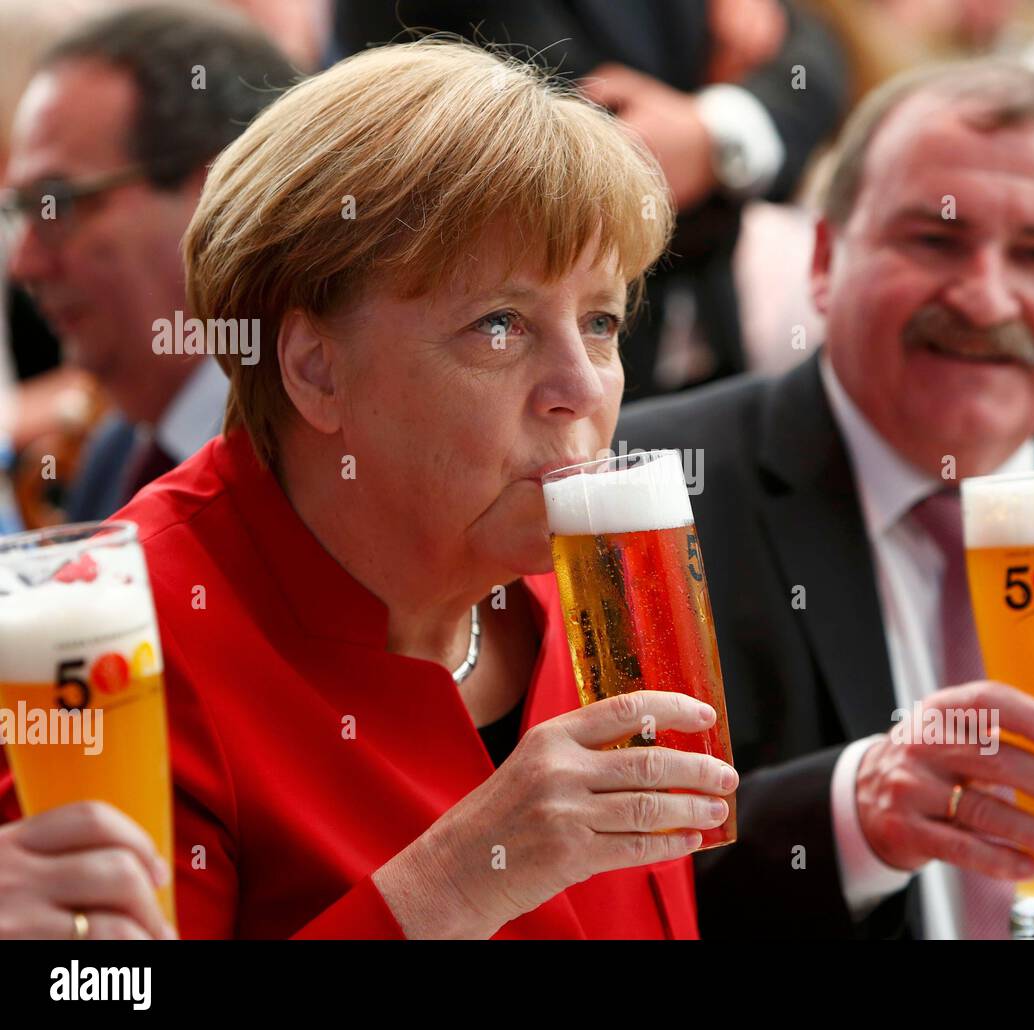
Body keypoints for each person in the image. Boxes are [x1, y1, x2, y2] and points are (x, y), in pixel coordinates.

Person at [0, 40, 737, 940]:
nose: (582, 388)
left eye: (601, 320)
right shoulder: (111, 648)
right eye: (499, 324)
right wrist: (456, 884)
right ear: (316, 370)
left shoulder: (595, 588)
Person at [618, 60, 1034, 939]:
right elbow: (598, 889)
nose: (985, 296)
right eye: (935, 241)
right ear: (828, 259)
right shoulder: (644, 502)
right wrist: (849, 819)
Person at [328, 0, 851, 398]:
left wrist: (713, 131)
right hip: (516, 366)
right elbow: (553, 118)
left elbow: (813, 62)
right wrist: (694, 144)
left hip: (708, 334)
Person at [0, 4, 296, 522]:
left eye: (58, 203)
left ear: (219, 197)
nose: (24, 264)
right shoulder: (112, 459)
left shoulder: (326, 470)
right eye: (21, 211)